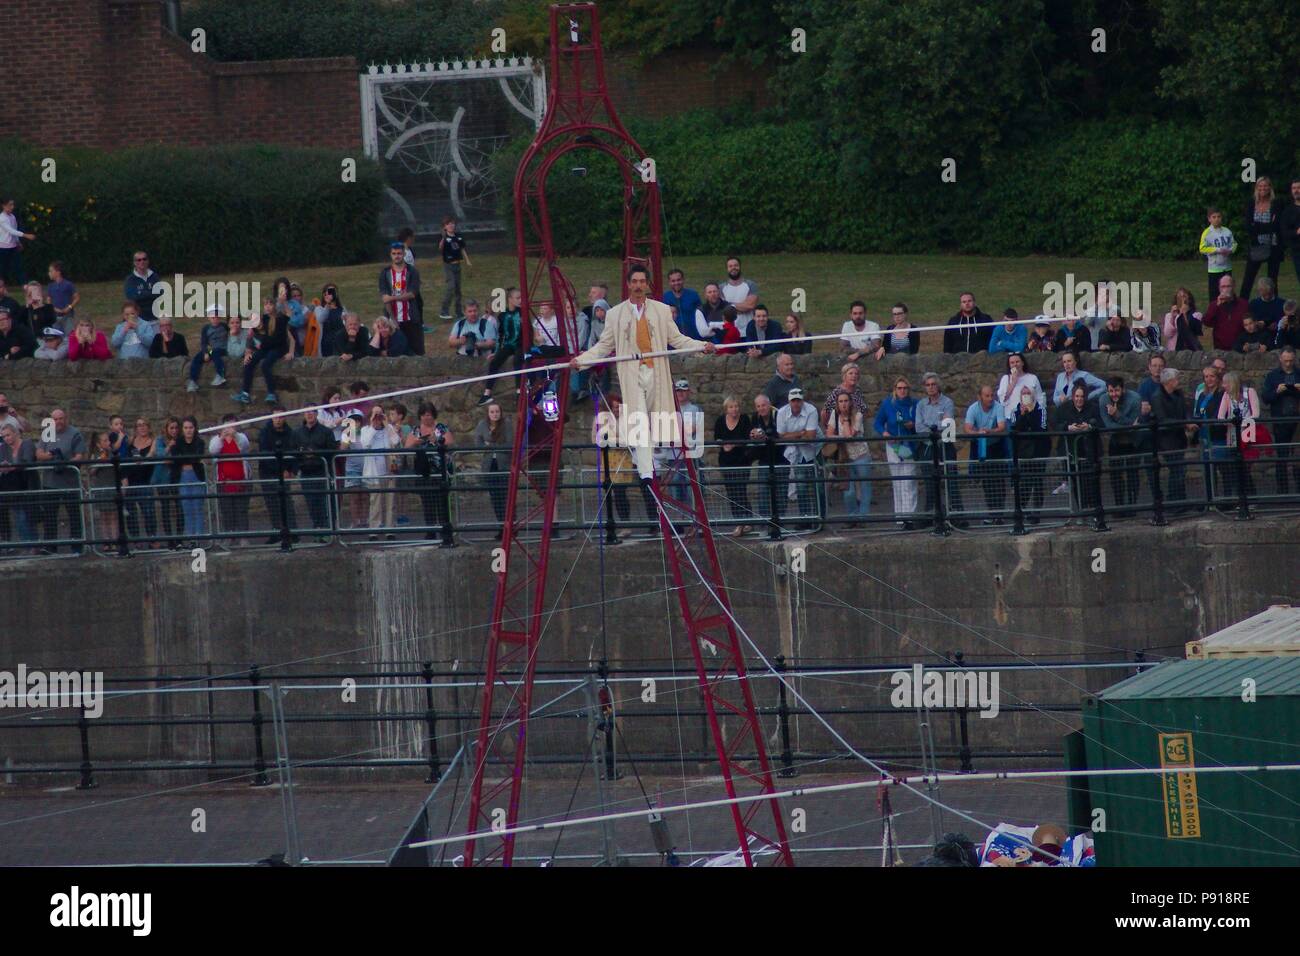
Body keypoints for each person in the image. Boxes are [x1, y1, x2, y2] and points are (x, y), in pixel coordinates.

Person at [572, 265, 714, 487]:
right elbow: (603, 347)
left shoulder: (661, 310)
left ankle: (651, 468)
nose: (638, 286)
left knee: (656, 419)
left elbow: (677, 340)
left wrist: (701, 345)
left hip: (655, 371)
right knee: (637, 417)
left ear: (647, 284)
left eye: (642, 281)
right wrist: (581, 361)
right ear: (628, 284)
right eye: (634, 281)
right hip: (632, 373)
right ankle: (647, 473)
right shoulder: (615, 314)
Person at [915, 371, 963, 526]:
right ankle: (931, 514)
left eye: (933, 384)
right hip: (928, 446)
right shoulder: (921, 404)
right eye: (927, 385)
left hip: (945, 444)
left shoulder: (947, 402)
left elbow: (947, 424)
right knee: (929, 481)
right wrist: (935, 428)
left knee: (951, 480)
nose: (931, 387)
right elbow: (918, 427)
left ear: (938, 385)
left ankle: (956, 514)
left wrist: (933, 427)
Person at [404, 402, 454, 541]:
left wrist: (437, 440)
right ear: (420, 416)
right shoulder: (415, 430)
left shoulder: (441, 428)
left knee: (441, 501)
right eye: (425, 415)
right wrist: (415, 443)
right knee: (427, 502)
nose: (427, 418)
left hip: (440, 470)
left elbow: (450, 443)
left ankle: (445, 530)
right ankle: (430, 530)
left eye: (429, 415)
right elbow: (406, 447)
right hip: (424, 471)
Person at [874, 377, 919, 528]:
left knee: (909, 482)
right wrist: (885, 433)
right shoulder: (888, 404)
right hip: (893, 446)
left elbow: (919, 423)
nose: (902, 391)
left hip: (908, 445)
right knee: (898, 482)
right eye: (899, 388)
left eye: (905, 388)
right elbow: (878, 423)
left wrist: (912, 425)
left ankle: (910, 517)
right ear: (895, 389)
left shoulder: (915, 404)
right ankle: (899, 518)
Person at [234, 297, 293, 405]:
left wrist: (284, 301)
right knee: (249, 363)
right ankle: (245, 393)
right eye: (266, 304)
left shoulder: (280, 318)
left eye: (270, 304)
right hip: (266, 347)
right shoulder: (264, 318)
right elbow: (253, 333)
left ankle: (271, 393)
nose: (268, 307)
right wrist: (248, 352)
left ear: (275, 306)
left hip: (278, 348)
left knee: (265, 365)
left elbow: (289, 315)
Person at [825, 390, 872, 527]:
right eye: (841, 401)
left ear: (850, 402)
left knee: (864, 486)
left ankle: (863, 517)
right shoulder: (834, 415)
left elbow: (850, 435)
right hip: (844, 457)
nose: (844, 404)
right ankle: (852, 517)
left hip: (861, 455)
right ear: (837, 404)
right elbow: (829, 434)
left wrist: (845, 419)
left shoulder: (857, 415)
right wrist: (842, 437)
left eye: (846, 401)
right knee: (848, 488)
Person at [775, 388, 822, 524]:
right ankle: (805, 519)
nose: (796, 404)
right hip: (796, 451)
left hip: (815, 449)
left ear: (802, 401)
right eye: (793, 401)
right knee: (801, 486)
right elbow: (781, 437)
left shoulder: (811, 410)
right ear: (789, 402)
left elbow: (811, 436)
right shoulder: (782, 413)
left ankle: (821, 518)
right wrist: (800, 433)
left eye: (798, 400)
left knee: (818, 486)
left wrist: (792, 435)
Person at [1217, 370, 1265, 500]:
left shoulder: (1250, 392)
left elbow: (1256, 414)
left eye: (1226, 383)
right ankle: (1244, 497)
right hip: (1233, 433)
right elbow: (1220, 415)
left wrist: (1243, 423)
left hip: (1248, 432)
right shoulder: (1226, 395)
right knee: (1236, 466)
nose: (1223, 386)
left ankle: (1250, 496)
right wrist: (1229, 423)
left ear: (1233, 383)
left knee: (1246, 466)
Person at [964, 385, 1008, 524]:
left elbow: (1002, 427)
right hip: (980, 445)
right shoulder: (973, 408)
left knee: (999, 481)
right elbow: (967, 428)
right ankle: (991, 512)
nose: (990, 398)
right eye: (987, 396)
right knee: (987, 481)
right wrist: (978, 433)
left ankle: (999, 513)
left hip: (996, 445)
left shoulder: (998, 407)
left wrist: (990, 431)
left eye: (991, 395)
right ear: (980, 397)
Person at [1057, 382, 1104, 513]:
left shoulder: (1093, 408)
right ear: (1072, 396)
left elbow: (1100, 424)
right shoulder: (1064, 408)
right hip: (1073, 452)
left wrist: (1089, 427)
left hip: (1090, 450)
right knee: (1077, 483)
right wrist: (1068, 428)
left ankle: (1095, 511)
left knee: (1092, 482)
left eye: (1082, 396)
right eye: (1077, 396)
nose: (1079, 399)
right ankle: (1082, 510)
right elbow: (1056, 424)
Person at [1099, 376, 1144, 511]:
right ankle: (1119, 506)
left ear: (1123, 389)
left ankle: (1132, 505)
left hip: (1133, 442)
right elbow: (1109, 425)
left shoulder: (1135, 399)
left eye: (1117, 390)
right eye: (1111, 391)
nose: (1114, 394)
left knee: (1132, 474)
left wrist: (1117, 415)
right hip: (1115, 441)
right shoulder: (1103, 400)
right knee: (1115, 475)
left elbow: (1135, 426)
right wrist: (1127, 425)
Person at [1149, 368, 1192, 507]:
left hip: (1178, 438)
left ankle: (1180, 499)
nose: (1178, 382)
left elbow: (1184, 412)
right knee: (1177, 469)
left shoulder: (1178, 394)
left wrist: (1187, 422)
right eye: (1176, 379)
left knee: (1179, 469)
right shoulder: (1157, 397)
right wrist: (1184, 423)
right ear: (1169, 381)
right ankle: (1174, 500)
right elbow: (1162, 419)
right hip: (1166, 440)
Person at [293, 408, 337, 540]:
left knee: (324, 502)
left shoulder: (326, 432)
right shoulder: (297, 433)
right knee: (311, 503)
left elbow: (331, 451)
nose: (309, 414)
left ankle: (326, 531)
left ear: (316, 414)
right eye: (306, 412)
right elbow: (292, 451)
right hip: (306, 472)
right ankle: (317, 529)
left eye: (312, 412)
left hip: (322, 472)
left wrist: (316, 453)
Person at [1008, 390, 1051, 524]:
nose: (1026, 396)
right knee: (1025, 482)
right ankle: (1022, 509)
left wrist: (1031, 412)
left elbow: (1041, 429)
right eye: (1024, 394)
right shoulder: (1015, 411)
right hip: (1024, 452)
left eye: (1028, 393)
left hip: (1039, 450)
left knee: (1038, 482)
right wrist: (1022, 414)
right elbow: (1015, 429)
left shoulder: (1040, 409)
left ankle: (1036, 512)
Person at [1262, 346, 1300, 493]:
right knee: (1282, 455)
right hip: (1281, 421)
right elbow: (1265, 398)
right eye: (1285, 361)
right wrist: (1277, 391)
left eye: (1291, 361)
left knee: (1298, 455)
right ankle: (1282, 489)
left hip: (1298, 421)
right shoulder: (1273, 376)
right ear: (1280, 359)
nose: (1288, 364)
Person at [714, 395, 754, 535]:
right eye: (731, 407)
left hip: (741, 459)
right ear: (726, 409)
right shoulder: (720, 420)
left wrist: (733, 444)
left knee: (741, 490)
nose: (734, 409)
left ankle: (745, 521)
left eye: (736, 406)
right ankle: (740, 520)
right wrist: (723, 444)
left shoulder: (744, 419)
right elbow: (717, 437)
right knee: (731, 491)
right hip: (726, 460)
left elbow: (747, 438)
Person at [358, 404, 400, 539]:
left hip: (388, 468)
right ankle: (374, 530)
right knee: (375, 501)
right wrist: (372, 425)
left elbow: (396, 440)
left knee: (390, 501)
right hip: (374, 471)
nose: (378, 417)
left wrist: (387, 424)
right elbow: (365, 444)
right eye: (375, 414)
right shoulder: (366, 429)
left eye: (380, 414)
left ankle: (390, 530)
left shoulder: (389, 428)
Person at [478, 287, 523, 406]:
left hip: (521, 344)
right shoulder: (503, 315)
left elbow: (528, 331)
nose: (520, 300)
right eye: (518, 298)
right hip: (509, 344)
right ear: (510, 299)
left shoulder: (522, 312)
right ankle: (487, 393)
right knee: (495, 362)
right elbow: (501, 335)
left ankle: (519, 391)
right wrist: (496, 351)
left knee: (518, 359)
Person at [473, 401, 513, 533]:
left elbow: (509, 444)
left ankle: (510, 526)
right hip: (489, 465)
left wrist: (490, 445)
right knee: (495, 497)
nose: (495, 414)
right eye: (492, 412)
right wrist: (490, 446)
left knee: (505, 497)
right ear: (488, 413)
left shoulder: (506, 425)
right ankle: (501, 526)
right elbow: (478, 445)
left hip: (503, 465)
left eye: (497, 412)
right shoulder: (482, 425)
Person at [1241, 177, 1283, 299]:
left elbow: (1277, 225)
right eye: (1260, 186)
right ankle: (1242, 305)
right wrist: (1268, 226)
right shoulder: (1251, 203)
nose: (1263, 188)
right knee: (1248, 278)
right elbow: (1248, 226)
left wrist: (1258, 226)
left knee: (1273, 279)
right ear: (1256, 188)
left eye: (1265, 186)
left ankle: (1274, 305)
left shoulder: (1276, 203)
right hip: (1256, 245)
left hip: (1273, 245)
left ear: (1270, 188)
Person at [380, 241, 423, 355]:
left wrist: (392, 298)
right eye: (394, 253)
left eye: (399, 253)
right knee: (396, 350)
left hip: (411, 317)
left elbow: (413, 294)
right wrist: (393, 320)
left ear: (404, 254)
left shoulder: (412, 271)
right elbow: (385, 298)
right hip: (393, 319)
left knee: (416, 350)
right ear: (390, 255)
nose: (397, 256)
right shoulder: (385, 273)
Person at [212, 419, 251, 544]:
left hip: (240, 481)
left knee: (241, 509)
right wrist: (221, 438)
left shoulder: (241, 438)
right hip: (224, 481)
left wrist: (235, 435)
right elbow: (213, 450)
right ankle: (229, 534)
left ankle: (243, 536)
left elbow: (244, 445)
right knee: (227, 509)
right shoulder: (216, 439)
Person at [170, 416, 207, 546]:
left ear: (195, 428)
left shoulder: (199, 442)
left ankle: (198, 537)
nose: (188, 430)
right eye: (185, 428)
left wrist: (187, 460)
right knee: (186, 507)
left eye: (191, 427)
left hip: (196, 476)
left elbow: (196, 457)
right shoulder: (178, 443)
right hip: (183, 476)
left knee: (197, 506)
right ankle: (191, 537)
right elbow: (176, 458)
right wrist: (187, 460)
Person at [121, 417, 157, 546]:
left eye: (144, 425)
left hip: (145, 480)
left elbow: (152, 453)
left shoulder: (153, 441)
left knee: (148, 512)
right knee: (131, 513)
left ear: (149, 426)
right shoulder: (130, 441)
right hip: (130, 480)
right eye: (139, 425)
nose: (142, 427)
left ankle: (152, 539)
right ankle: (136, 540)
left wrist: (144, 459)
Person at [0, 422, 37, 548]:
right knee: (18, 518)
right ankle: (26, 546)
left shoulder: (27, 444)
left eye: (8, 435)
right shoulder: (3, 448)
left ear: (15, 433)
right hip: (12, 486)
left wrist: (10, 467)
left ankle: (33, 546)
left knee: (26, 517)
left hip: (27, 484)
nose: (6, 438)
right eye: (3, 436)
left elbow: (27, 461)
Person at [749, 393, 783, 522]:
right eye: (758, 406)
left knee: (781, 492)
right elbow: (752, 434)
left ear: (769, 405)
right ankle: (764, 522)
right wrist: (753, 435)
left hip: (780, 457)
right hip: (764, 458)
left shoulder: (778, 415)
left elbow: (780, 434)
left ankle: (780, 521)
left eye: (763, 405)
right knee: (762, 492)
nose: (761, 408)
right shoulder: (755, 418)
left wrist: (767, 437)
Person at [151, 417, 183, 548]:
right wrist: (169, 447)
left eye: (176, 428)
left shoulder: (181, 440)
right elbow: (160, 455)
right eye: (171, 428)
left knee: (179, 507)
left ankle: (180, 538)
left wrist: (171, 459)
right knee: (165, 508)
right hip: (163, 478)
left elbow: (180, 458)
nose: (174, 430)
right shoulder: (160, 440)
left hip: (177, 477)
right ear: (166, 429)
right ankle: (170, 539)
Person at [573, 298, 610, 399]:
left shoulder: (611, 323)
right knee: (584, 361)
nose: (599, 313)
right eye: (597, 310)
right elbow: (592, 339)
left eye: (602, 310)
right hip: (598, 349)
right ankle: (584, 389)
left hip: (609, 349)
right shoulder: (594, 323)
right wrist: (590, 351)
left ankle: (604, 392)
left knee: (606, 370)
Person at [1199, 206, 1237, 304]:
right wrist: (1217, 250)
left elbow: (1234, 244)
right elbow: (1202, 248)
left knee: (1228, 292)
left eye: (1218, 216)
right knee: (1214, 294)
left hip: (1227, 267)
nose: (1216, 219)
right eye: (1214, 217)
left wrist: (1230, 250)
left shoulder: (1227, 231)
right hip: (1214, 269)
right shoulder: (1207, 233)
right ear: (1209, 219)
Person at [1203, 273, 1249, 352]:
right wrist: (1216, 306)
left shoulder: (1243, 304)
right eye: (1223, 286)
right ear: (1219, 288)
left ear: (1234, 287)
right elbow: (1207, 322)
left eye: (1228, 286)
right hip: (1220, 349)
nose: (1226, 289)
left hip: (1240, 348)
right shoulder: (1214, 305)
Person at [187, 305, 229, 391]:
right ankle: (193, 381)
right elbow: (204, 342)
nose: (215, 319)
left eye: (217, 317)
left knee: (215, 352)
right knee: (197, 357)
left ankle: (220, 375)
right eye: (212, 317)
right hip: (211, 349)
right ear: (209, 318)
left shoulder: (224, 326)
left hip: (223, 348)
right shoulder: (206, 328)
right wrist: (206, 352)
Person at [437, 215, 468, 321]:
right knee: (451, 287)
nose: (451, 225)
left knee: (458, 289)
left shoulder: (458, 236)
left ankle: (459, 312)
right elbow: (440, 249)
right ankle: (444, 311)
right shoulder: (444, 237)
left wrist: (467, 261)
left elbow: (462, 249)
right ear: (444, 227)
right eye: (448, 224)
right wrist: (443, 238)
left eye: (452, 223)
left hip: (457, 264)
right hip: (448, 265)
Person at [996, 351, 1044, 418]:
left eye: (1017, 362)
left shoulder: (1033, 378)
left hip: (1031, 416)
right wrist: (1013, 382)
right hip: (1011, 417)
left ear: (1022, 363)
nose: (1015, 364)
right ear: (1009, 365)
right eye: (1012, 363)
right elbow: (1002, 400)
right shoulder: (1005, 378)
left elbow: (1040, 398)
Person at [821, 362, 869, 428]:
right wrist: (829, 428)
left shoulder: (858, 390)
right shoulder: (837, 392)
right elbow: (825, 412)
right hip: (842, 429)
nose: (854, 376)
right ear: (844, 376)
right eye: (850, 373)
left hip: (858, 427)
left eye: (856, 374)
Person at [0, 198, 35, 285]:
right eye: (10, 205)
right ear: (4, 206)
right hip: (3, 248)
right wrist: (26, 235)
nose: (12, 207)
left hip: (13, 247)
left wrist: (18, 242)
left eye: (13, 205)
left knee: (19, 267)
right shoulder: (2, 218)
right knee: (2, 269)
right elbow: (11, 230)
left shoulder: (12, 217)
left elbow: (14, 230)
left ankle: (25, 286)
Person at [720, 256, 759, 334]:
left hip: (748, 330)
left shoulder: (751, 285)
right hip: (729, 331)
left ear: (740, 267)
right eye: (730, 266)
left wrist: (729, 305)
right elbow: (722, 308)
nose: (733, 268)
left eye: (736, 265)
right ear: (727, 269)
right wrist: (742, 306)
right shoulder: (721, 287)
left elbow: (750, 306)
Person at [663, 270, 705, 341]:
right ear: (669, 282)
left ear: (683, 280)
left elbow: (701, 315)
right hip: (673, 340)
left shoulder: (693, 295)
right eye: (673, 281)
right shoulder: (665, 297)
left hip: (693, 337)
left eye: (678, 280)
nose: (676, 283)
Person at [123, 251, 161, 321]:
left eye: (144, 259)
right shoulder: (130, 280)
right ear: (135, 263)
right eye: (139, 260)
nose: (142, 262)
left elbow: (161, 293)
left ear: (148, 261)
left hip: (156, 317)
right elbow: (132, 297)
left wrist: (141, 293)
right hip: (139, 319)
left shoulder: (154, 277)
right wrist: (151, 293)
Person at [314, 284, 345, 357]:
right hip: (326, 344)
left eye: (332, 291)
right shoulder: (319, 309)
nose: (330, 294)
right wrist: (327, 305)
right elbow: (321, 319)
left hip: (339, 343)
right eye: (328, 292)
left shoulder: (342, 309)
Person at [45, 261, 78, 329]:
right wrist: (54, 309)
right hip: (54, 316)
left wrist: (69, 307)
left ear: (58, 272)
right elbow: (48, 300)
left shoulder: (68, 284)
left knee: (68, 335)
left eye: (51, 271)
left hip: (67, 316)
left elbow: (76, 298)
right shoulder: (50, 286)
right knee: (56, 336)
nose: (49, 273)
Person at [1282, 178, 1300, 289]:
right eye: (1294, 188)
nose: (1296, 190)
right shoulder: (1288, 211)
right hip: (1297, 251)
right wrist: (1297, 232)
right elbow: (1284, 232)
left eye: (1298, 187)